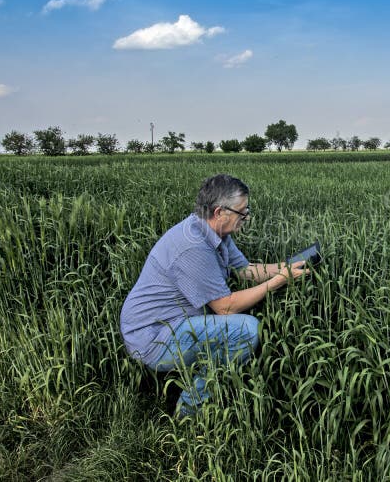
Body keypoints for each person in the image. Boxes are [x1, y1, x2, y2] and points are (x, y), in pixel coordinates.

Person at [120, 174, 308, 416]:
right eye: (242, 212)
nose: (246, 217)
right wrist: (278, 282)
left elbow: (245, 270)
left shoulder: (215, 232)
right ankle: (190, 411)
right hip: (154, 338)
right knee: (246, 330)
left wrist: (288, 266)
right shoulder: (193, 246)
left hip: (172, 324)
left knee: (237, 328)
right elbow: (225, 308)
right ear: (220, 212)